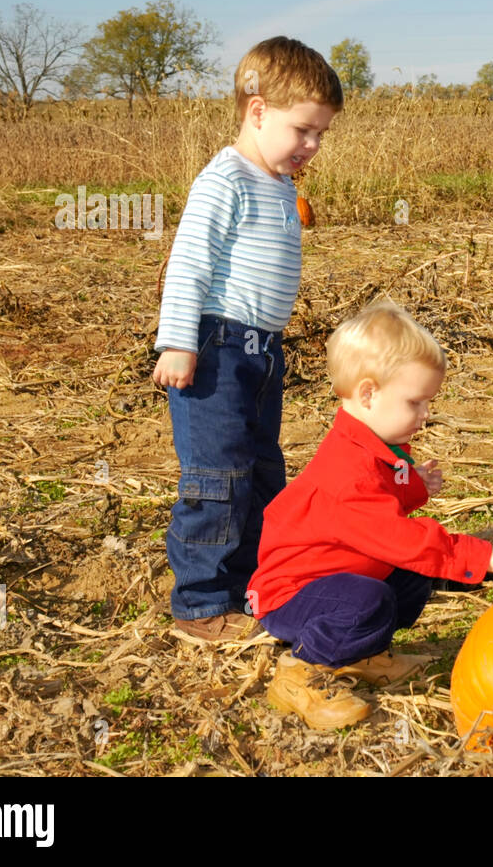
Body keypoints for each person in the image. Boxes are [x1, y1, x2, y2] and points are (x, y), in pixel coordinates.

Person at [247, 301, 493, 729]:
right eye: (416, 402)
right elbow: (396, 534)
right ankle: (303, 672)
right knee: (372, 597)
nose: (426, 415)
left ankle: (361, 654)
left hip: (336, 572)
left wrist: (415, 486)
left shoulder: (370, 444)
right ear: (368, 393)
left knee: (407, 577)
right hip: (293, 595)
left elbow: (385, 488)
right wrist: (483, 558)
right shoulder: (345, 474)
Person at [151, 36, 342, 643]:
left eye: (320, 136)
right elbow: (189, 264)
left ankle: (256, 583)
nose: (311, 146)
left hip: (261, 353)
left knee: (261, 469)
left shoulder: (280, 183)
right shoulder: (224, 177)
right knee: (218, 474)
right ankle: (202, 602)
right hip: (215, 348)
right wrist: (177, 341)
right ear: (258, 112)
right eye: (303, 131)